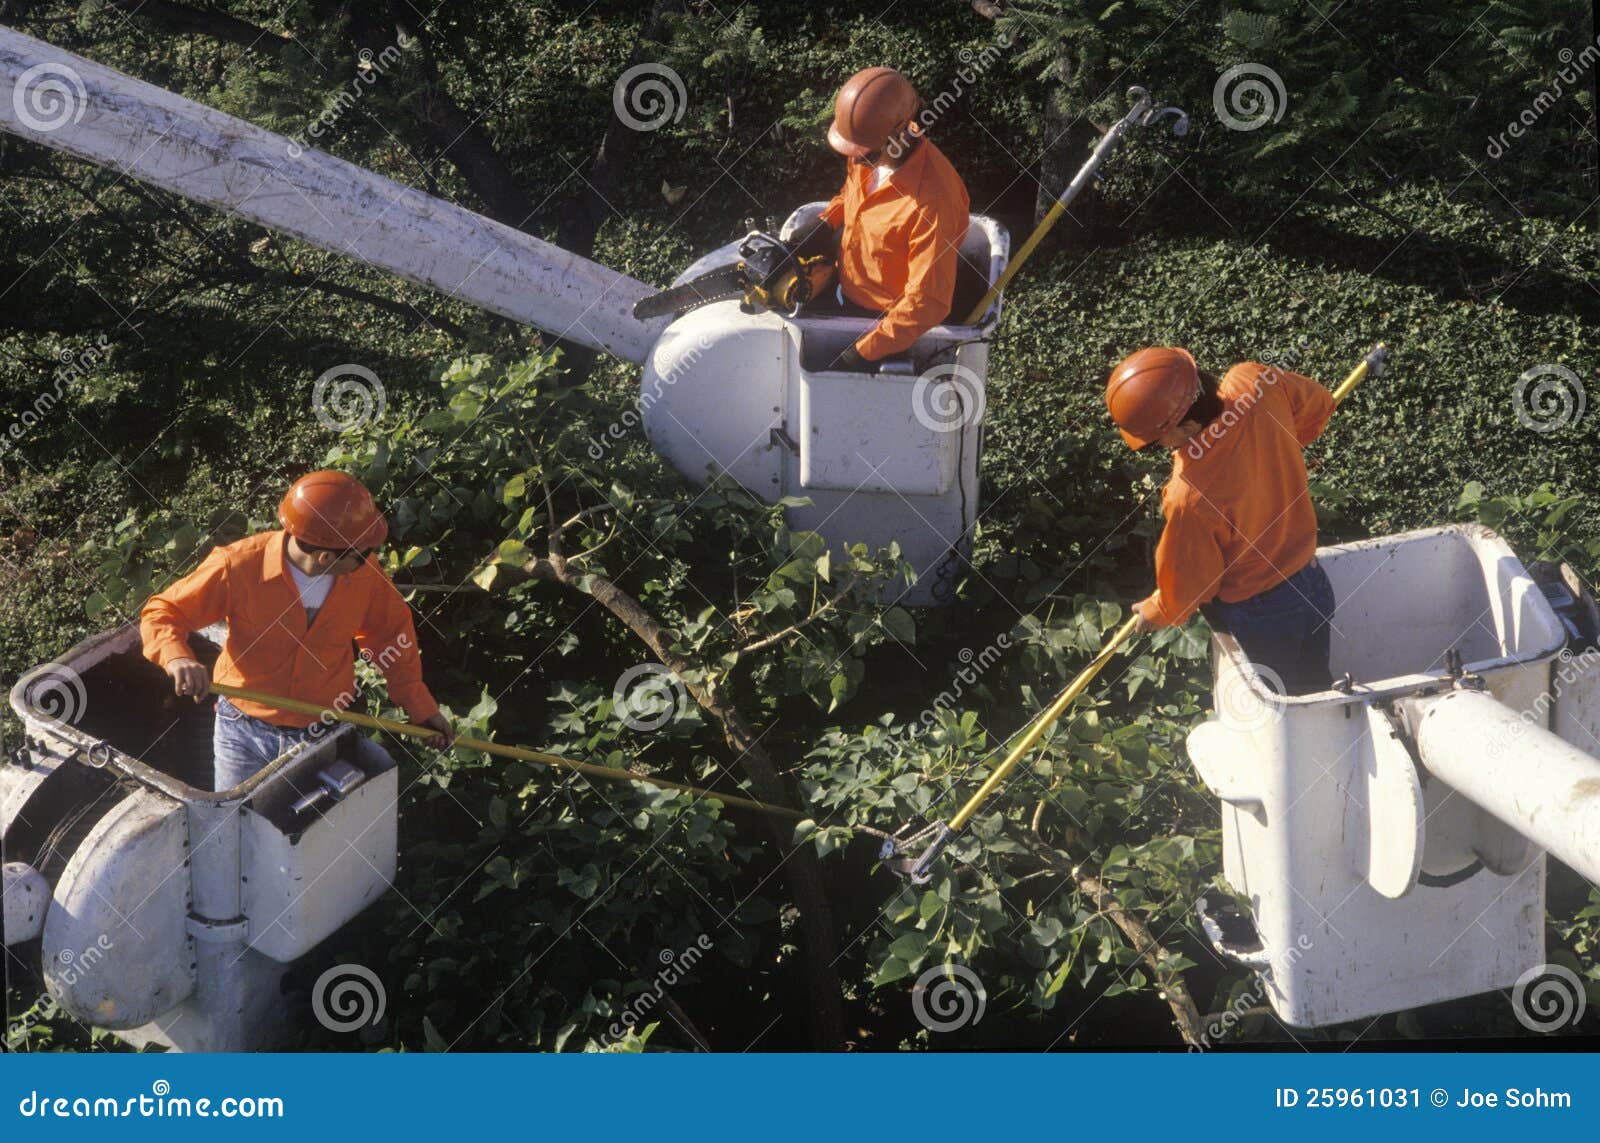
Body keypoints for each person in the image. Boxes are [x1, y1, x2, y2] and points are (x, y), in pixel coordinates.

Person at [141, 470, 453, 791]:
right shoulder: (237, 566)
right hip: (242, 732)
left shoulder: (364, 575)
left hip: (320, 730)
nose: (371, 559)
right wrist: (176, 656)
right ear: (324, 556)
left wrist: (420, 707)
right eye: (362, 554)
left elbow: (391, 637)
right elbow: (163, 612)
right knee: (235, 826)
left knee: (304, 827)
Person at [1105, 346, 1338, 694]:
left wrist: (1158, 611)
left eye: (1156, 442)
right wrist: (1275, 452)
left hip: (1264, 612)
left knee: (1284, 709)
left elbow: (1195, 581)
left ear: (1188, 426)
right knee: (1317, 688)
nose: (1161, 448)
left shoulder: (1189, 495)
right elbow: (1318, 403)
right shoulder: (1254, 381)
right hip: (1312, 581)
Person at [794, 66, 971, 371]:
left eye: (865, 153)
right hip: (846, 295)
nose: (856, 158)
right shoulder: (869, 149)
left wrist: (863, 354)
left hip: (888, 328)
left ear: (900, 130)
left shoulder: (932, 201)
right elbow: (852, 195)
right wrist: (825, 222)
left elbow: (927, 302)